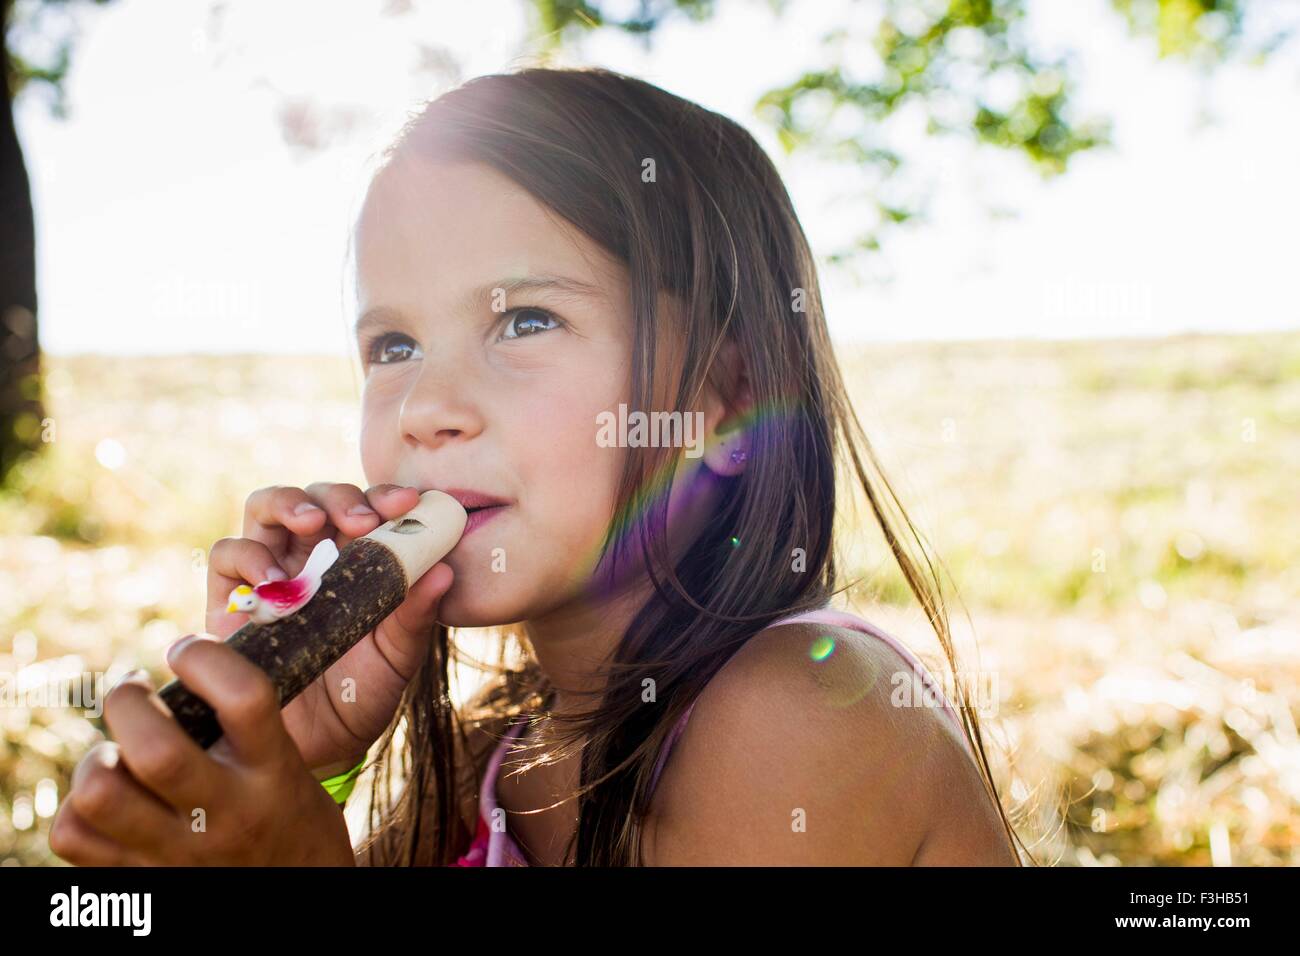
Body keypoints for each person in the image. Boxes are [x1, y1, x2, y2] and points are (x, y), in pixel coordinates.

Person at [51, 67, 1028, 867]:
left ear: (725, 402)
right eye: (393, 344)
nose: (427, 408)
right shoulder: (497, 746)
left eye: (525, 319)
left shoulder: (800, 710)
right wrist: (307, 770)